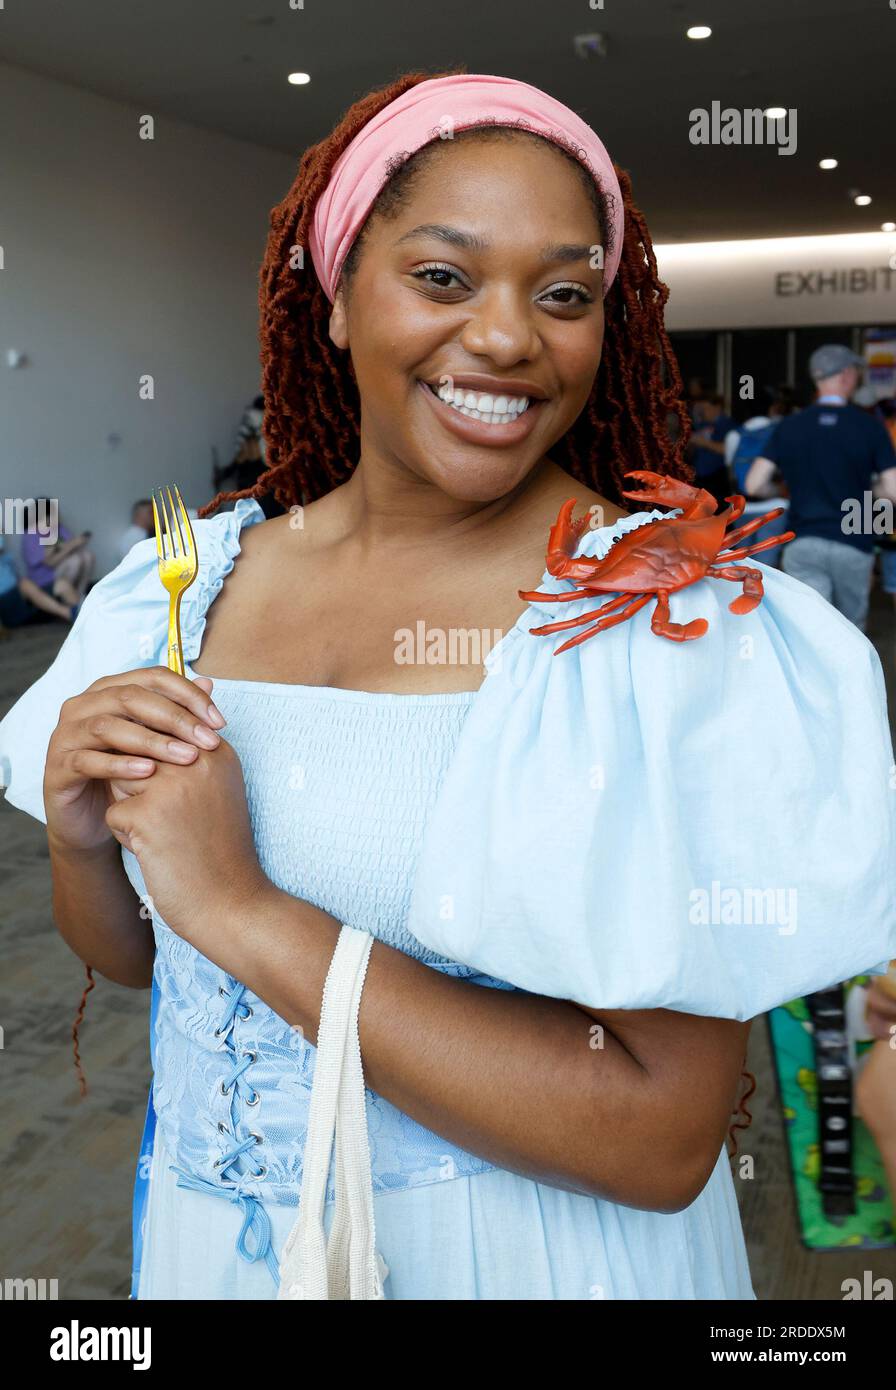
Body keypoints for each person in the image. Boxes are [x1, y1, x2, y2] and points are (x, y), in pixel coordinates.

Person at [1, 71, 894, 1303]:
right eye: (442, 275)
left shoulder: (669, 630)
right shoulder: (172, 594)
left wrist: (253, 909)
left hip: (533, 1263)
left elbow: (656, 1139)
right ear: (332, 303)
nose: (506, 335)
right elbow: (146, 959)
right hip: (211, 1251)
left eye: (563, 294)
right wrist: (81, 842)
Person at [746, 346, 896, 630]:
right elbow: (893, 489)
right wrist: (868, 487)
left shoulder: (789, 426)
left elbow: (754, 484)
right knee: (850, 631)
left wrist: (780, 490)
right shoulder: (869, 427)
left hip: (804, 541)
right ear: (846, 375)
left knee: (813, 630)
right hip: (854, 540)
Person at [726, 388, 798, 570]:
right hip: (773, 507)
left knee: (744, 565)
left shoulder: (734, 436)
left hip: (742, 508)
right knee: (767, 570)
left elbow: (730, 473)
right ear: (771, 407)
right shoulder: (781, 432)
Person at [21, 501, 96, 614]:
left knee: (88, 556)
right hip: (46, 580)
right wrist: (70, 545)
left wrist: (69, 545)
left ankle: (80, 596)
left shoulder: (59, 529)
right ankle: (71, 603)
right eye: (52, 514)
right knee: (75, 561)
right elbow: (50, 562)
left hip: (63, 569)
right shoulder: (31, 535)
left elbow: (72, 546)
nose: (57, 517)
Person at [0, 532, 77, 633]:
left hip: (28, 598)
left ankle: (86, 616)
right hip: (9, 608)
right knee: (24, 584)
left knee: (62, 585)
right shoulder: (30, 538)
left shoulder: (6, 560)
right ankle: (69, 613)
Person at [688, 391, 736, 505]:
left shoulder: (727, 424)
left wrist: (703, 442)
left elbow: (728, 449)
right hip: (700, 478)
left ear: (717, 407)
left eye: (706, 408)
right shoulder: (702, 425)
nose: (703, 413)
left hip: (718, 477)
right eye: (701, 409)